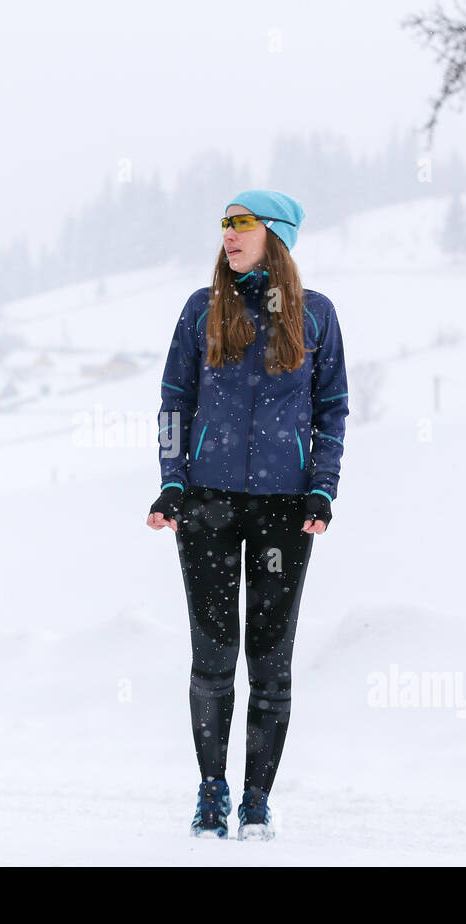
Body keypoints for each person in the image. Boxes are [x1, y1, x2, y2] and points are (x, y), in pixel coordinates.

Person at [146, 189, 349, 841]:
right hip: (206, 504)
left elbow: (332, 410)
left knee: (269, 659)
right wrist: (172, 482)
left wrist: (322, 488)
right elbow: (174, 402)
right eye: (224, 223)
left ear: (276, 235)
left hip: (285, 511)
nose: (228, 234)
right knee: (212, 656)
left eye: (242, 223)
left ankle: (256, 800)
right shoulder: (201, 310)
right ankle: (212, 791)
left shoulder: (315, 315)